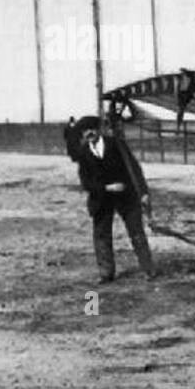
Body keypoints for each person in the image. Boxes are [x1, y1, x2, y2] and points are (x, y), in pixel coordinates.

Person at [69, 114, 156, 283]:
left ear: (99, 129)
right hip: (101, 199)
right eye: (85, 131)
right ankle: (106, 273)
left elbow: (134, 168)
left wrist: (143, 193)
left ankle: (148, 269)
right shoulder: (83, 154)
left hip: (127, 196)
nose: (89, 133)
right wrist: (107, 188)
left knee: (136, 232)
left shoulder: (116, 145)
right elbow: (86, 184)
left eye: (92, 129)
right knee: (101, 236)